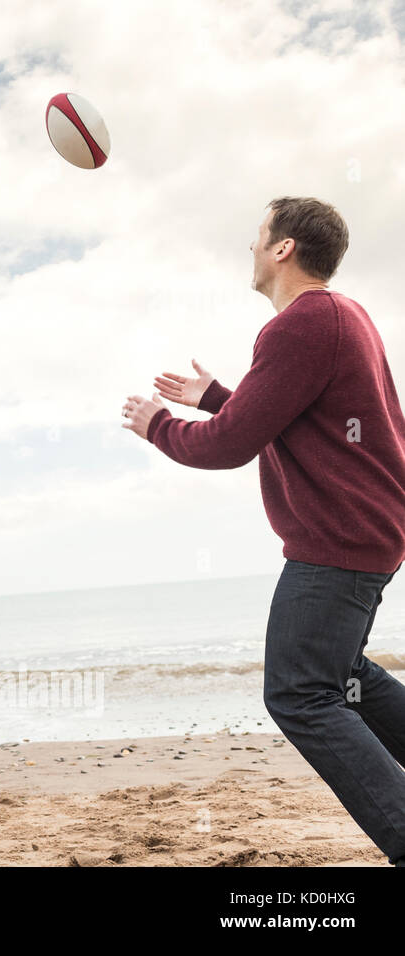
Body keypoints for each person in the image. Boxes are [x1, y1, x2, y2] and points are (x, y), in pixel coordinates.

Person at [122, 196, 405, 866]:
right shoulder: (342, 316)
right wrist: (220, 395)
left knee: (300, 694)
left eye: (258, 235)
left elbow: (229, 445)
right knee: (345, 677)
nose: (250, 246)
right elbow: (296, 415)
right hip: (371, 531)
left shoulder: (300, 325)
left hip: (338, 540)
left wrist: (158, 424)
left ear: (284, 248)